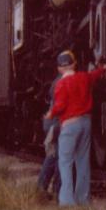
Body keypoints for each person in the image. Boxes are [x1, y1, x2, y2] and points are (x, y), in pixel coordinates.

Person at [45, 50, 106, 206]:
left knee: (65, 162)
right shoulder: (84, 78)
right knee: (83, 161)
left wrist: (50, 114)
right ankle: (83, 198)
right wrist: (103, 68)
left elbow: (60, 106)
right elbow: (95, 75)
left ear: (59, 69)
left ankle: (67, 201)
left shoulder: (61, 84)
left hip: (70, 126)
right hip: (86, 123)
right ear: (74, 64)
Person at [36, 60, 65, 200]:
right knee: (57, 156)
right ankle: (55, 190)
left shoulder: (56, 81)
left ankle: (45, 188)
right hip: (56, 124)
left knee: (54, 156)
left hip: (53, 123)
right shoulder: (61, 82)